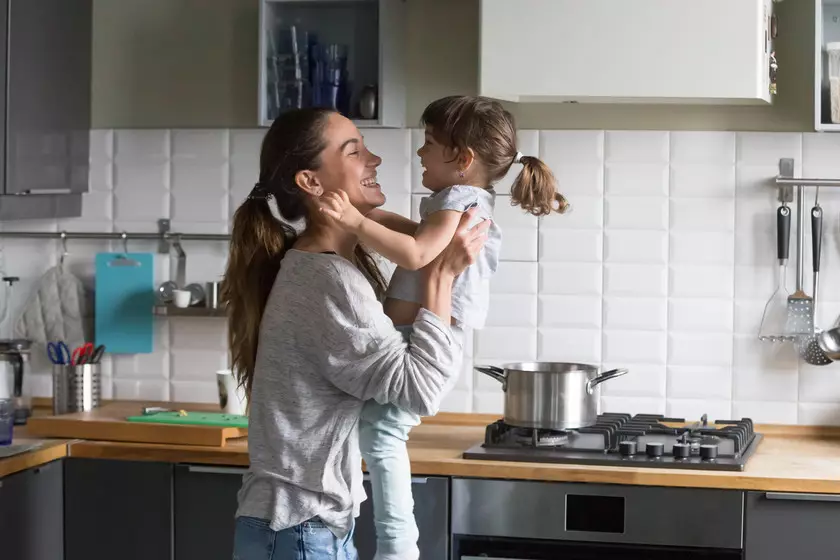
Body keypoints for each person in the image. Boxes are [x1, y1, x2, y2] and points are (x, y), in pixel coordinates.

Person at [220, 106, 490, 560]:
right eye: (355, 151)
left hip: (302, 527)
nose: (375, 160)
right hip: (299, 530)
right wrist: (441, 277)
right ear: (312, 183)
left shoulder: (327, 266)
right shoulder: (329, 279)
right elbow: (420, 390)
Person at [319, 95, 569, 560]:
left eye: (430, 143)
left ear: (463, 160)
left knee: (381, 435)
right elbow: (419, 239)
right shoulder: (459, 201)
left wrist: (354, 218)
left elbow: (416, 255)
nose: (419, 153)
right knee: (375, 431)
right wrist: (367, 215)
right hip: (415, 338)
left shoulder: (460, 200)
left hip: (426, 341)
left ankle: (398, 544)